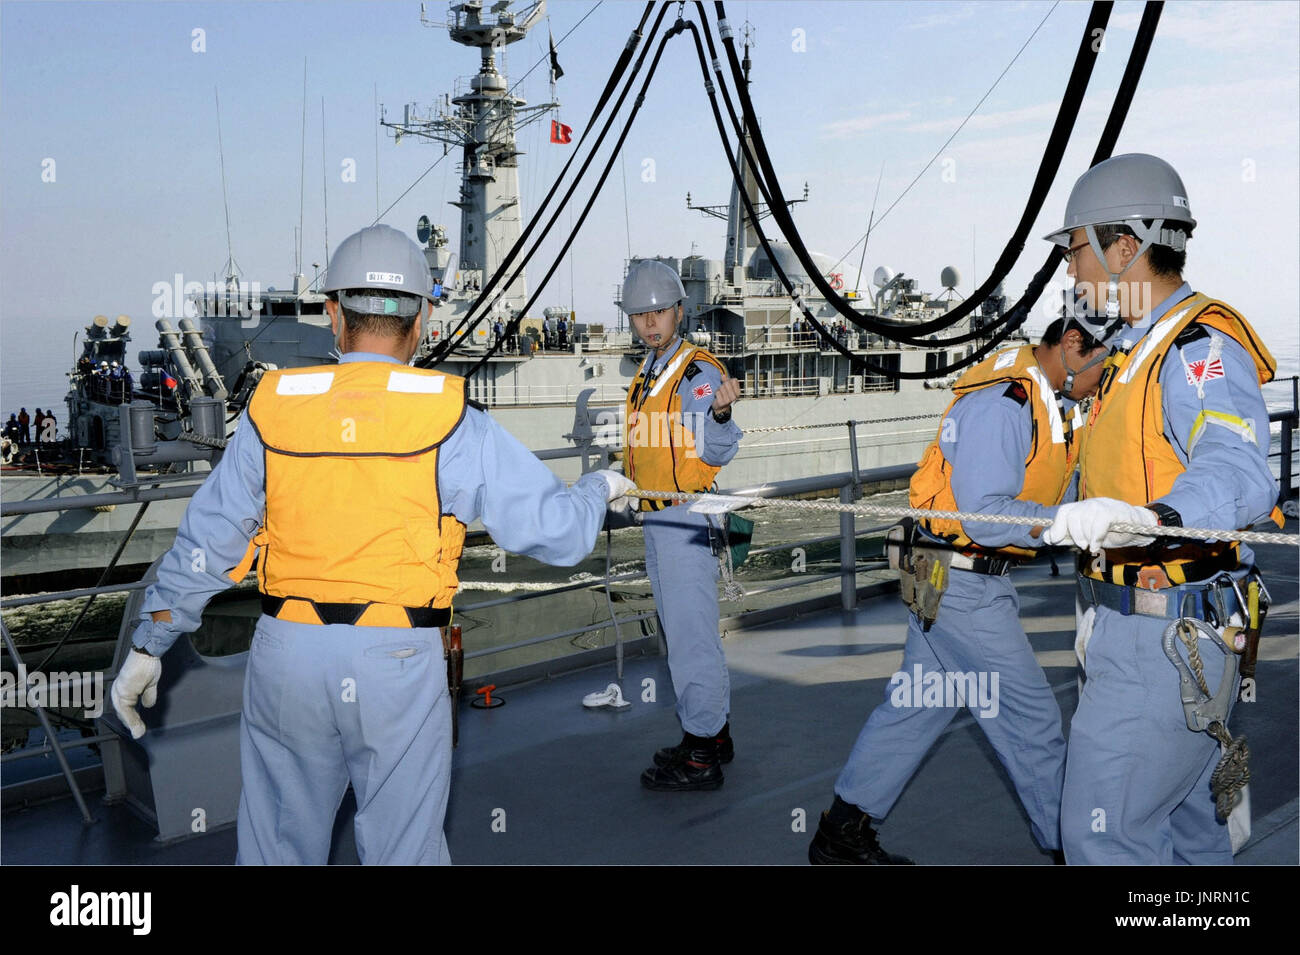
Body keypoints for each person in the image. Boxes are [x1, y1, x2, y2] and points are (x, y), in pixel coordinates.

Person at [110, 224, 634, 865]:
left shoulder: (273, 411)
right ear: (424, 320)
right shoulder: (450, 419)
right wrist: (599, 487)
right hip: (396, 658)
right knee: (402, 849)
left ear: (333, 315)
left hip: (285, 655)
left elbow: (207, 541)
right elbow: (558, 533)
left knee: (277, 847)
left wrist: (150, 643)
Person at [1041, 154, 1280, 864]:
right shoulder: (1133, 351)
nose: (1073, 269)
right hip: (1153, 631)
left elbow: (1238, 468)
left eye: (1077, 248)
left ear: (1127, 247)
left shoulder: (1194, 350)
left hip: (1164, 641)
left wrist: (1154, 518)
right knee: (1188, 832)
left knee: (1099, 831)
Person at [808, 317, 1109, 864]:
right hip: (962, 583)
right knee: (1032, 720)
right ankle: (1077, 853)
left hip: (938, 573)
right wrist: (1067, 522)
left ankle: (840, 835)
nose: (1102, 378)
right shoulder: (1005, 406)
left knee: (918, 704)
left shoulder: (1044, 403)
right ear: (1071, 346)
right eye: (1102, 363)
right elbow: (986, 515)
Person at [619, 259, 743, 791]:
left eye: (659, 312)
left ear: (679, 311)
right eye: (640, 314)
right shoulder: (650, 372)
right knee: (687, 632)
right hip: (656, 517)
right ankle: (712, 735)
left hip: (684, 516)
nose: (650, 323)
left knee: (691, 637)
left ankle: (700, 755)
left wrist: (719, 416)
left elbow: (717, 451)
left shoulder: (696, 373)